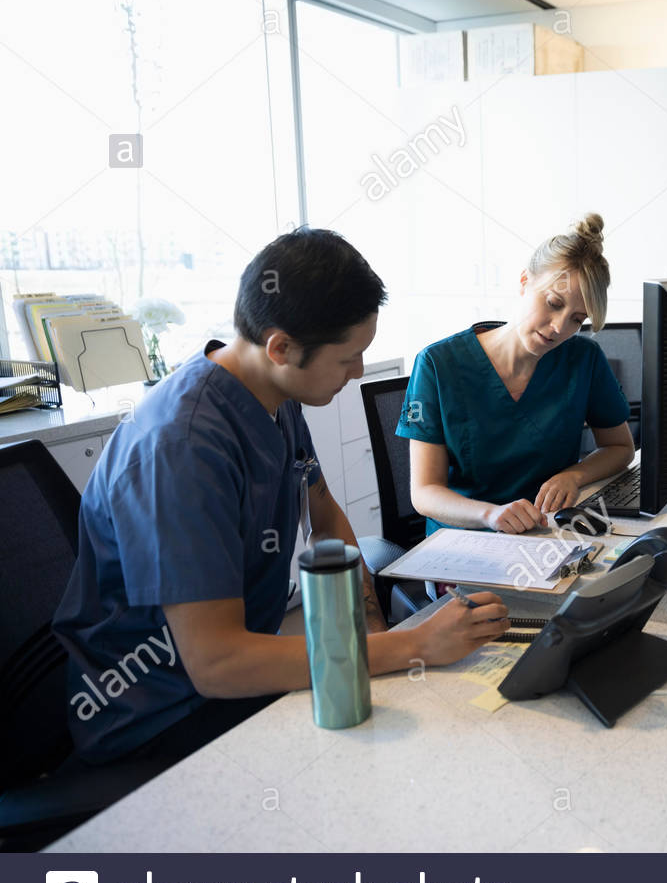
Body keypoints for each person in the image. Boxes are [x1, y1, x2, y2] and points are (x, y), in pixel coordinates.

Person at [53, 228, 509, 768]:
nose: (359, 372)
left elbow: (327, 516)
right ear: (281, 347)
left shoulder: (273, 393)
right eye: (348, 359)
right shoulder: (180, 449)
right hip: (159, 718)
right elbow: (217, 663)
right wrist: (412, 648)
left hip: (229, 677)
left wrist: (374, 633)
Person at [400, 213, 634, 536]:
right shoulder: (438, 365)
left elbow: (620, 447)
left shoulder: (584, 359)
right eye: (553, 303)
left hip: (548, 536)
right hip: (465, 542)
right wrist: (490, 515)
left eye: (576, 319)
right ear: (525, 282)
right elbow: (424, 492)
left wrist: (574, 476)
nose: (558, 328)